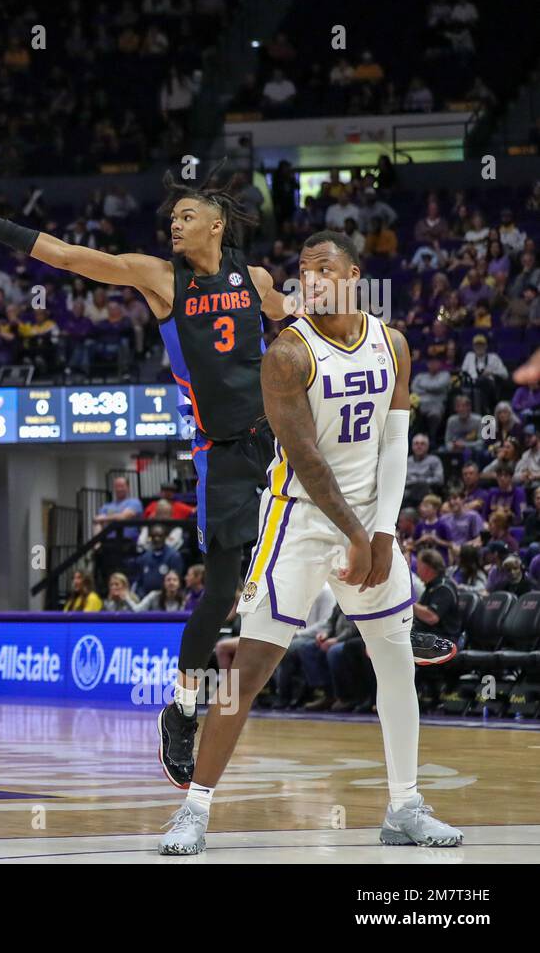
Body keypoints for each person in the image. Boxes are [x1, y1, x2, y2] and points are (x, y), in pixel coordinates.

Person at [0, 167, 294, 789]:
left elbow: (295, 323)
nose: (174, 225)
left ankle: (400, 617)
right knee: (223, 593)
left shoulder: (254, 279)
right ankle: (182, 708)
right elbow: (71, 257)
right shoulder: (159, 277)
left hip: (275, 435)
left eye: (185, 217)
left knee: (340, 508)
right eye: (172, 218)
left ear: (216, 223)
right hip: (221, 451)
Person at [159, 231, 462, 855]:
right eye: (303, 269)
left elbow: (395, 447)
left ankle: (405, 805)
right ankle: (194, 808)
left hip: (368, 523)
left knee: (395, 659)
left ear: (353, 274)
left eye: (323, 268)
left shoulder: (393, 344)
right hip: (297, 520)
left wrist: (381, 533)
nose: (311, 278)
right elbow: (306, 459)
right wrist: (357, 535)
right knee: (250, 668)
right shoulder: (287, 354)